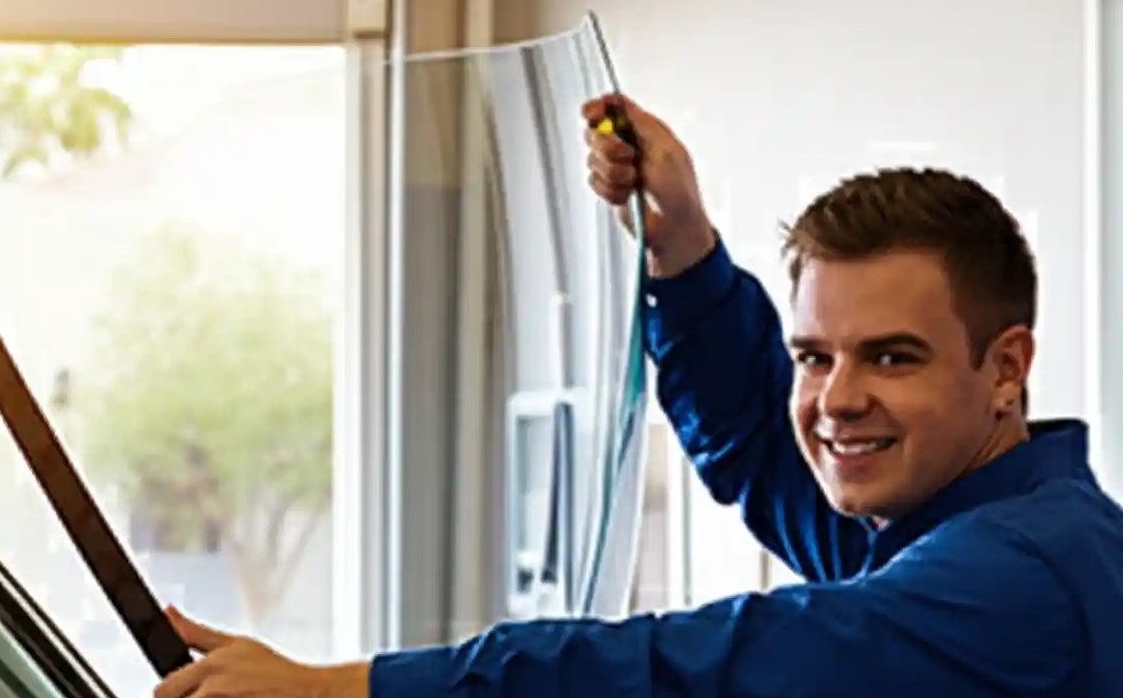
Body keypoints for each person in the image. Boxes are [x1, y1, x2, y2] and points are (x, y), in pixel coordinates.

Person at [153, 94, 1123, 698]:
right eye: (813, 356)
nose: (835, 401)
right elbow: (755, 440)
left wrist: (343, 692)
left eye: (891, 357)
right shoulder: (954, 516)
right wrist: (680, 247)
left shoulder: (1015, 579)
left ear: (1004, 367)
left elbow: (695, 672)